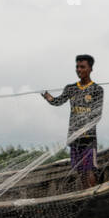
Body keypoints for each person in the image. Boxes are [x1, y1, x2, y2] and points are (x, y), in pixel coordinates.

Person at [43, 55, 103, 188]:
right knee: (80, 170)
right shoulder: (71, 88)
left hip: (89, 138)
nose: (79, 69)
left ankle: (92, 195)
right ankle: (85, 195)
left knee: (90, 169)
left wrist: (84, 128)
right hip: (73, 137)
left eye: (82, 67)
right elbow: (58, 101)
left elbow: (97, 115)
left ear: (90, 69)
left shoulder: (97, 90)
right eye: (77, 67)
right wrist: (48, 97)